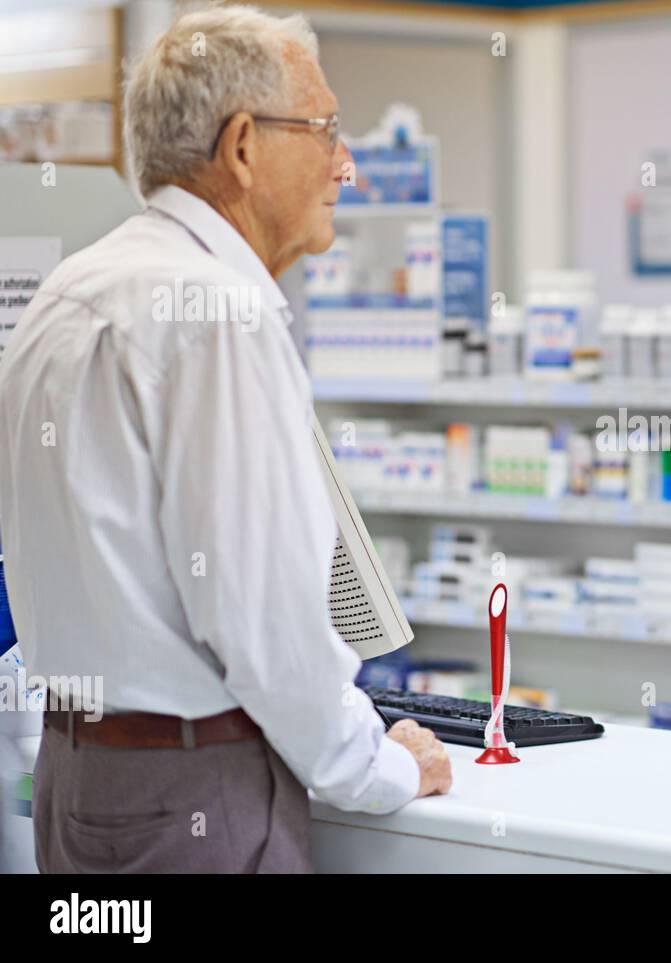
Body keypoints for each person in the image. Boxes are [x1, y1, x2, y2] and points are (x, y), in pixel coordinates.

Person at [0, 5, 450, 873]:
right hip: (193, 796)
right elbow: (271, 631)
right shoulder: (220, 315)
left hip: (77, 778)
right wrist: (388, 765)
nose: (344, 166)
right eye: (324, 131)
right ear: (244, 146)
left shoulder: (71, 287)